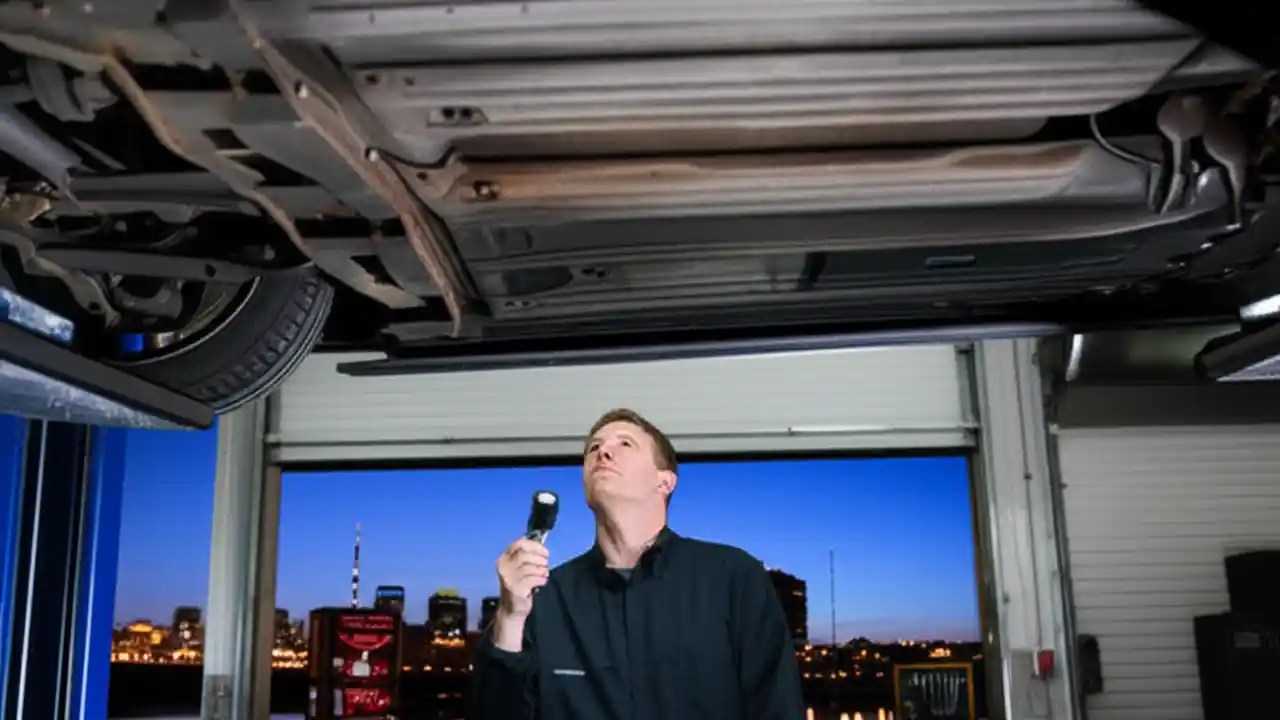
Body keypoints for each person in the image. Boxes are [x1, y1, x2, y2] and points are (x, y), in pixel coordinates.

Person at [470, 407, 805, 719]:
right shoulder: (544, 598)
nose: (603, 452)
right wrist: (510, 616)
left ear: (665, 481)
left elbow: (777, 706)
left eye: (625, 444)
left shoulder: (732, 576)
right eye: (593, 448)